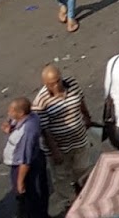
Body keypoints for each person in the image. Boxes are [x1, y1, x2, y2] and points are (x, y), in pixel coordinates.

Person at [31, 68, 93, 218]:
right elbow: (45, 130)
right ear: (45, 84)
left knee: (83, 169)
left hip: (79, 140)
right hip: (60, 147)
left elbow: (80, 100)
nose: (56, 86)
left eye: (58, 81)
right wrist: (55, 151)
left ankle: (85, 196)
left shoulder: (72, 84)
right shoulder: (41, 101)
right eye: (51, 84)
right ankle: (71, 205)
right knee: (62, 178)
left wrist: (86, 116)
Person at [2, 99, 48, 218]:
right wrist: (10, 127)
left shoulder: (27, 132)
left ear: (21, 113)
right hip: (34, 158)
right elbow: (12, 121)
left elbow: (25, 160)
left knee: (29, 195)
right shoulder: (32, 116)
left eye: (11, 111)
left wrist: (20, 182)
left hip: (25, 166)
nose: (9, 113)